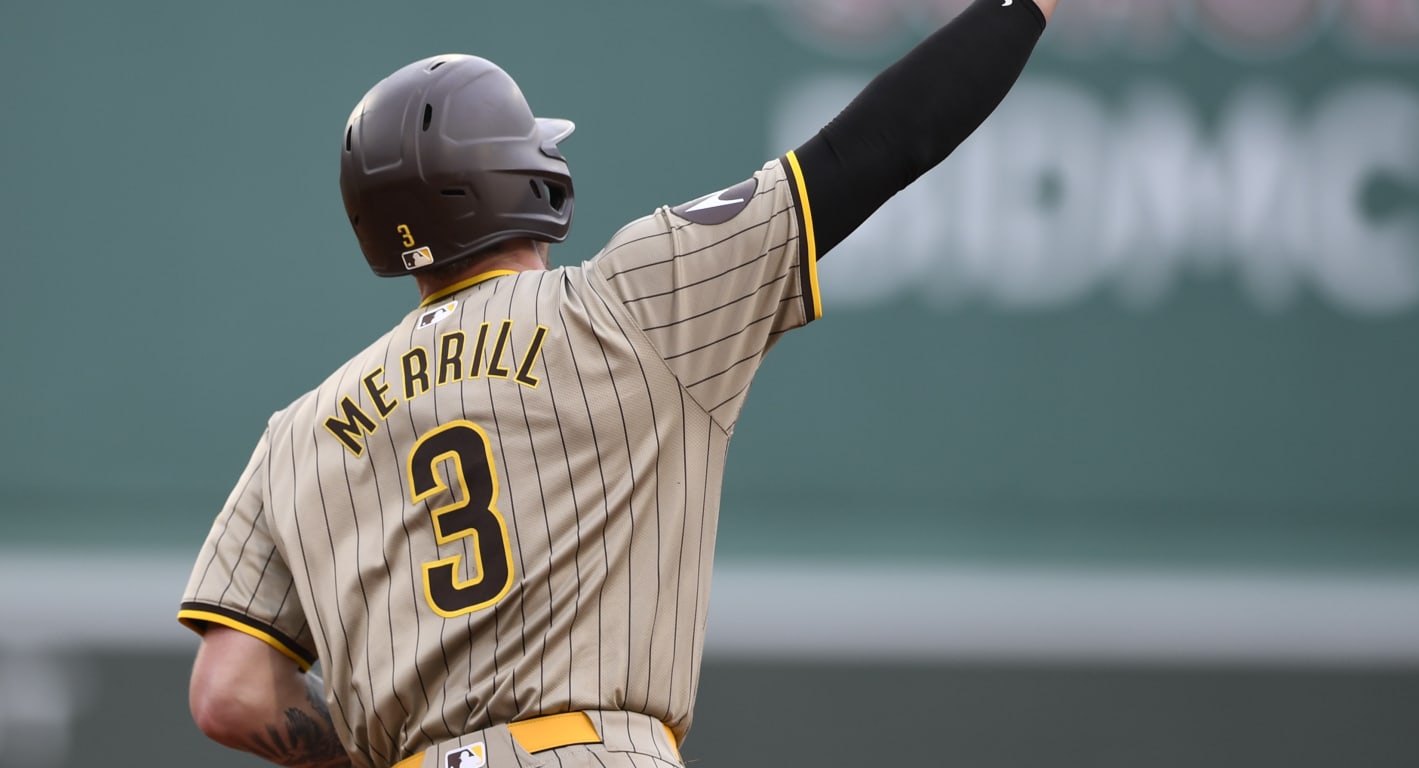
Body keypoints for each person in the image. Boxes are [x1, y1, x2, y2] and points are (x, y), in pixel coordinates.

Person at [177, 1, 1058, 766]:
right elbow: (882, 142)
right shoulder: (629, 304)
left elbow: (230, 693)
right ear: (530, 179)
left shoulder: (299, 431)